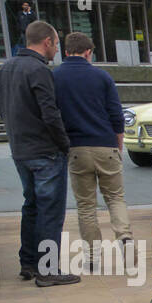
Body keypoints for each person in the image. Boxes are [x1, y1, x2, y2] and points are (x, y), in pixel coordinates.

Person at [0, 20, 78, 287]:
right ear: (47, 42)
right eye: (56, 44)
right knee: (50, 211)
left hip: (21, 150)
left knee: (31, 206)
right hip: (45, 151)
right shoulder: (39, 70)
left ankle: (29, 263)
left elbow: (3, 108)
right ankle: (48, 270)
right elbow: (50, 113)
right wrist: (64, 145)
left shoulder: (7, 68)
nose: (57, 50)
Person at [53, 31, 130, 270]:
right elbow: (116, 115)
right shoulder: (102, 77)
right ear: (88, 52)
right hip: (105, 144)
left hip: (76, 147)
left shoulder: (55, 77)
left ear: (66, 51)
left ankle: (93, 257)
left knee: (86, 206)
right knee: (115, 198)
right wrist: (118, 144)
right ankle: (124, 237)